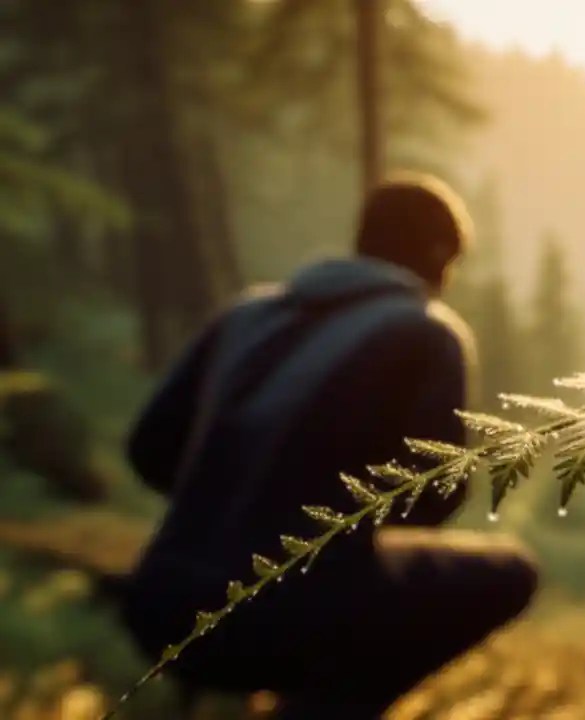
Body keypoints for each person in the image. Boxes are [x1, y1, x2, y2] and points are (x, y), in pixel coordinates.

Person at [121, 173, 538, 719]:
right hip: (285, 618)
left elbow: (148, 451)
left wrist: (229, 503)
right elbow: (435, 499)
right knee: (511, 572)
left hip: (161, 606)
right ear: (439, 254)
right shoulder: (426, 332)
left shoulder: (243, 315)